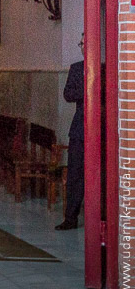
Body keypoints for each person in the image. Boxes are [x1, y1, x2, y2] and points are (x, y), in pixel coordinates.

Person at [57, 35, 85, 230]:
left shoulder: (104, 67)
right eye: (81, 43)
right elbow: (68, 94)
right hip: (79, 129)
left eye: (85, 42)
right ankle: (71, 217)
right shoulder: (76, 68)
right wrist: (87, 90)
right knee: (74, 172)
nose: (83, 46)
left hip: (98, 128)